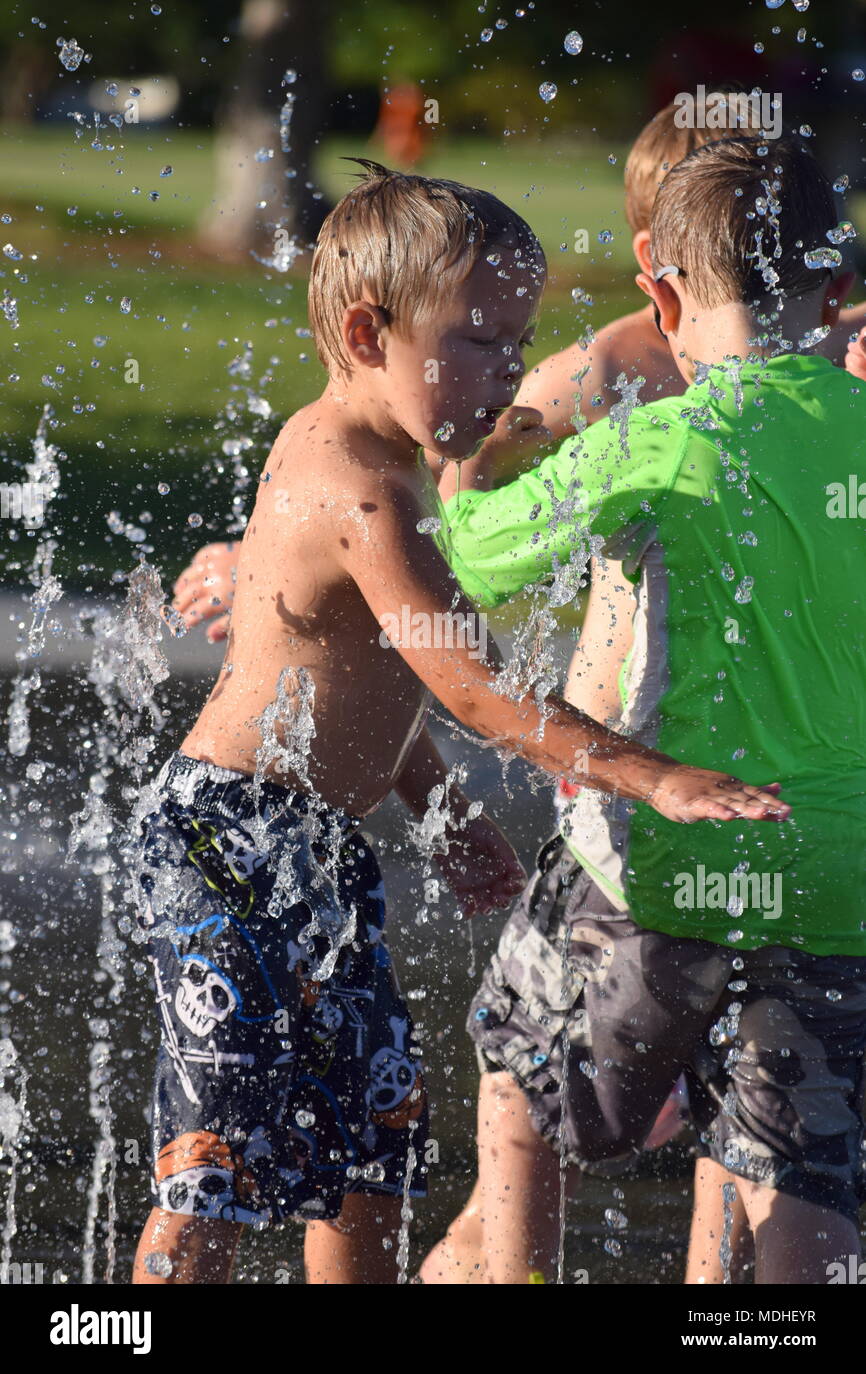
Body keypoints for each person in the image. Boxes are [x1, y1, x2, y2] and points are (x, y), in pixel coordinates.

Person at [132, 161, 785, 1287]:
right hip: (223, 848)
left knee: (374, 1139)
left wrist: (432, 805)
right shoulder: (363, 487)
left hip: (310, 849)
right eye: (479, 340)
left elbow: (353, 686)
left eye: (518, 338)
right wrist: (650, 775)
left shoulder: (389, 461)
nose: (508, 369)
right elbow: (468, 684)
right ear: (365, 329)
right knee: (218, 1154)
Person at [427, 135, 866, 1286]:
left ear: (662, 296)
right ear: (835, 292)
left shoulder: (653, 440)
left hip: (662, 867)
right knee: (798, 1180)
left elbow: (475, 562)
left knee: (517, 1081)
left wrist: (473, 470)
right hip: (842, 879)